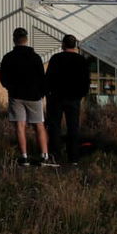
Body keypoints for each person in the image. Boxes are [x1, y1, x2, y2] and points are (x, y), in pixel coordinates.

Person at [0, 28, 57, 167]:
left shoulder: (8, 57)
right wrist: (41, 92)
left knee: (20, 125)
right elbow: (42, 77)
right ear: (26, 39)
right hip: (34, 95)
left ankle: (24, 157)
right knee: (39, 125)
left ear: (14, 39)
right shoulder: (35, 57)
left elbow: (3, 79)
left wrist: (10, 88)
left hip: (16, 95)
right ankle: (44, 155)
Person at [44, 34, 91, 165]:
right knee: (73, 127)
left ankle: (55, 155)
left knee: (54, 127)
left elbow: (48, 78)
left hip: (56, 98)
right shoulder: (81, 60)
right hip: (74, 98)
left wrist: (48, 93)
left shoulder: (56, 59)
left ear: (63, 44)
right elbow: (86, 80)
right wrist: (81, 94)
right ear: (75, 45)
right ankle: (74, 157)